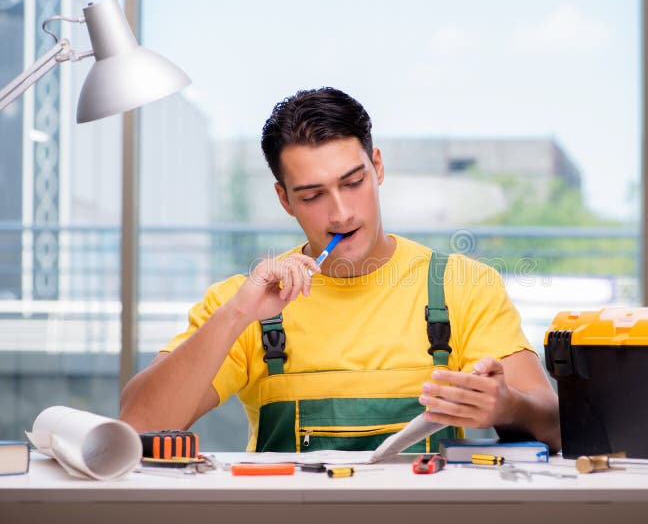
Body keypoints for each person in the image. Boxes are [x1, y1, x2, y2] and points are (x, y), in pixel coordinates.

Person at [119, 87, 560, 453]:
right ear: (284, 199)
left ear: (378, 167)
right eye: (312, 196)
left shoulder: (461, 288)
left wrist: (506, 407)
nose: (341, 213)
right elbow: (136, 425)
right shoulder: (246, 303)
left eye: (353, 183)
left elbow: (556, 427)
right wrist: (235, 315)